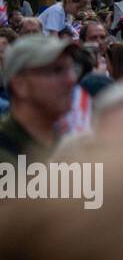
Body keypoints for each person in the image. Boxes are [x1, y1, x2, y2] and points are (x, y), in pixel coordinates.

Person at [0, 36, 79, 166]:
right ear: (20, 85)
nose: (71, 79)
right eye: (57, 70)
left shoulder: (69, 147)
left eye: (72, 69)